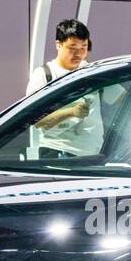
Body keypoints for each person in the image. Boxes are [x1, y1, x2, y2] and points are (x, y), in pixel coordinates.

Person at [26, 18, 102, 158]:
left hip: (93, 154)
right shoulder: (43, 75)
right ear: (58, 45)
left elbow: (119, 99)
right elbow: (35, 119)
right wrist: (71, 112)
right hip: (57, 154)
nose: (78, 54)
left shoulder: (91, 71)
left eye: (83, 47)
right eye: (72, 48)